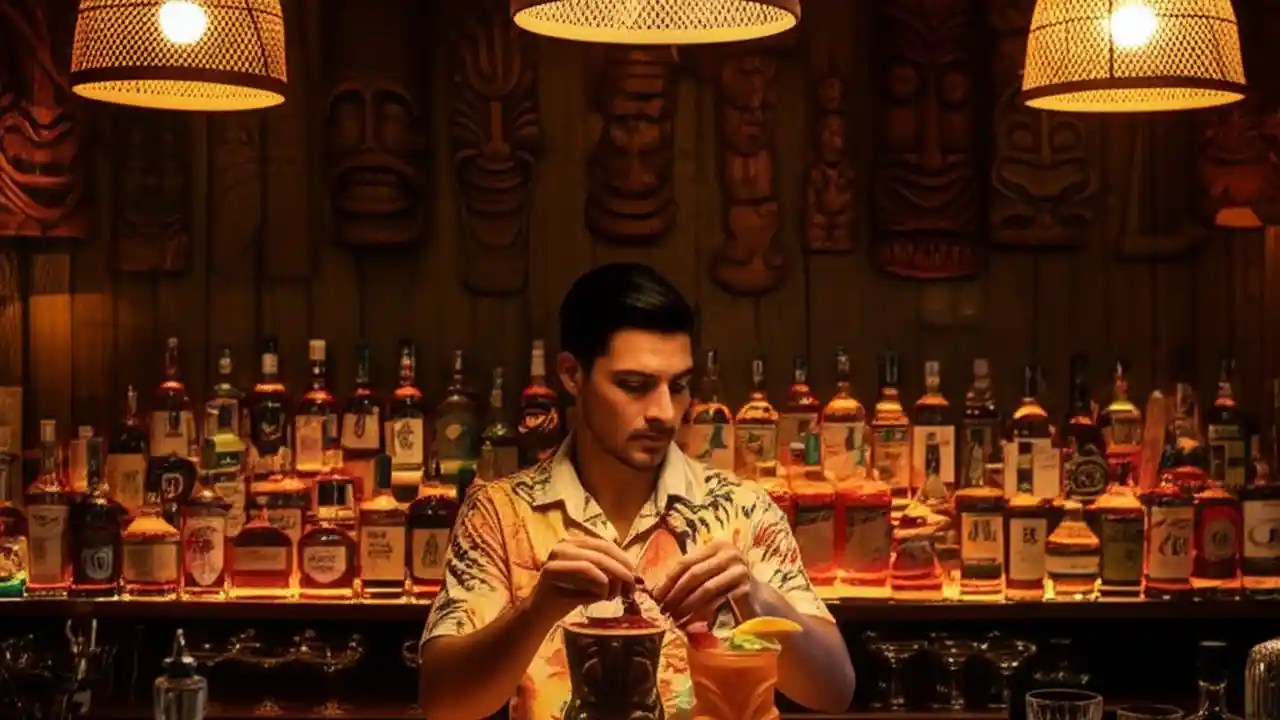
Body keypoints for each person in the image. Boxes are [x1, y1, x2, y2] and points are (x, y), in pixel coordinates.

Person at [418, 263, 855, 720]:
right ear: (571, 375)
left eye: (680, 387)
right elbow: (443, 704)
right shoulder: (500, 513)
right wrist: (535, 611)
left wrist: (755, 597)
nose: (665, 413)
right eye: (634, 386)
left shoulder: (744, 509)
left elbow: (833, 690)